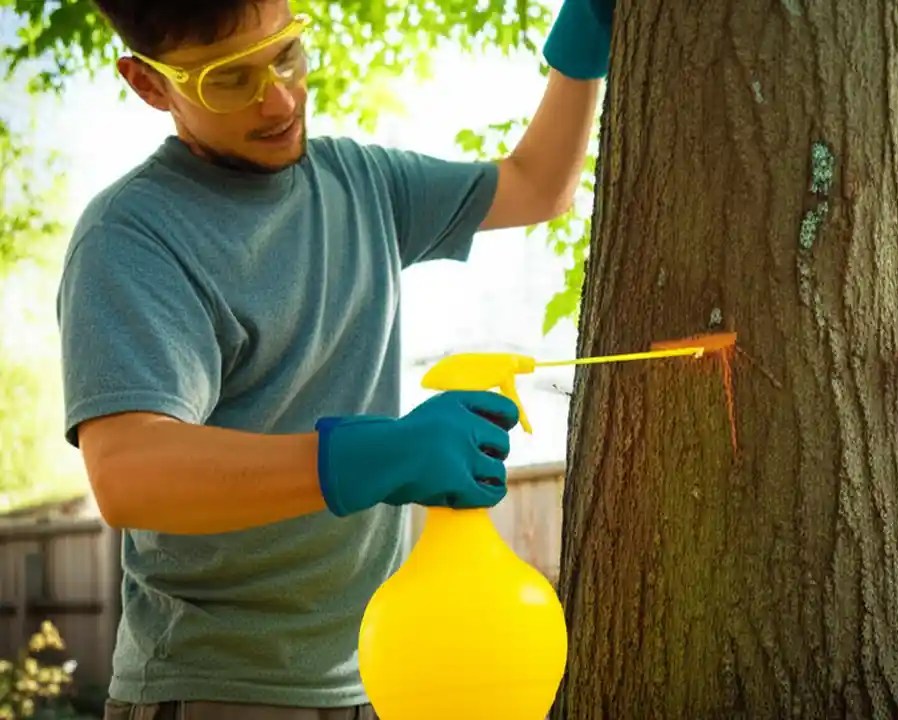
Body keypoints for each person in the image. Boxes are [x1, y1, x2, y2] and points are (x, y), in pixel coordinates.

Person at [55, 0, 614, 717]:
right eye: (230, 80)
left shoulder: (359, 184)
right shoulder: (133, 236)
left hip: (368, 678)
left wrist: (584, 42)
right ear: (150, 85)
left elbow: (539, 186)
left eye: (286, 53)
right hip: (212, 688)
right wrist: (366, 458)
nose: (281, 98)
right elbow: (131, 474)